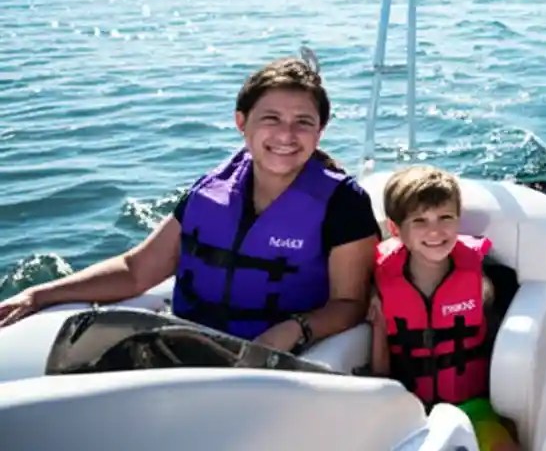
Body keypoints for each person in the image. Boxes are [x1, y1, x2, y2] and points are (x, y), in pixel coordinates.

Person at [0, 56, 381, 354]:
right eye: (271, 118)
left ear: (320, 131)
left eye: (303, 122)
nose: (286, 134)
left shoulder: (344, 204)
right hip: (187, 343)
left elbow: (350, 302)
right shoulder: (211, 189)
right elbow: (136, 271)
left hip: (278, 360)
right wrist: (40, 294)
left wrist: (294, 329)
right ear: (241, 122)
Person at [367, 165, 521, 451]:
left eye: (445, 217)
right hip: (409, 411)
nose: (435, 231)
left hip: (473, 404)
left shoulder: (482, 276)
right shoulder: (381, 282)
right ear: (395, 229)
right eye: (420, 221)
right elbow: (381, 349)